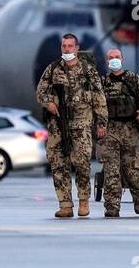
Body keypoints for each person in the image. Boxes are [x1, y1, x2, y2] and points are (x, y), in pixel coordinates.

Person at [36, 33, 107, 218]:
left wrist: (101, 123)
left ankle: (84, 201)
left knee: (82, 164)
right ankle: (65, 204)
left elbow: (99, 98)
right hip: (57, 125)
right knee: (58, 165)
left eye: (70, 46)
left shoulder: (88, 70)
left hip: (81, 124)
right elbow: (40, 92)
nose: (66, 49)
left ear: (76, 48)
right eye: (64, 46)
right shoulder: (53, 69)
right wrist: (49, 103)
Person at [98, 47, 139, 217]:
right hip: (110, 131)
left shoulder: (133, 80)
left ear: (122, 59)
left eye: (117, 57)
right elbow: (95, 106)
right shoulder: (102, 83)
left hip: (130, 131)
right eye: (111, 57)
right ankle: (112, 206)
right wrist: (99, 126)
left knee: (132, 170)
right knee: (111, 171)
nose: (114, 60)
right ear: (107, 61)